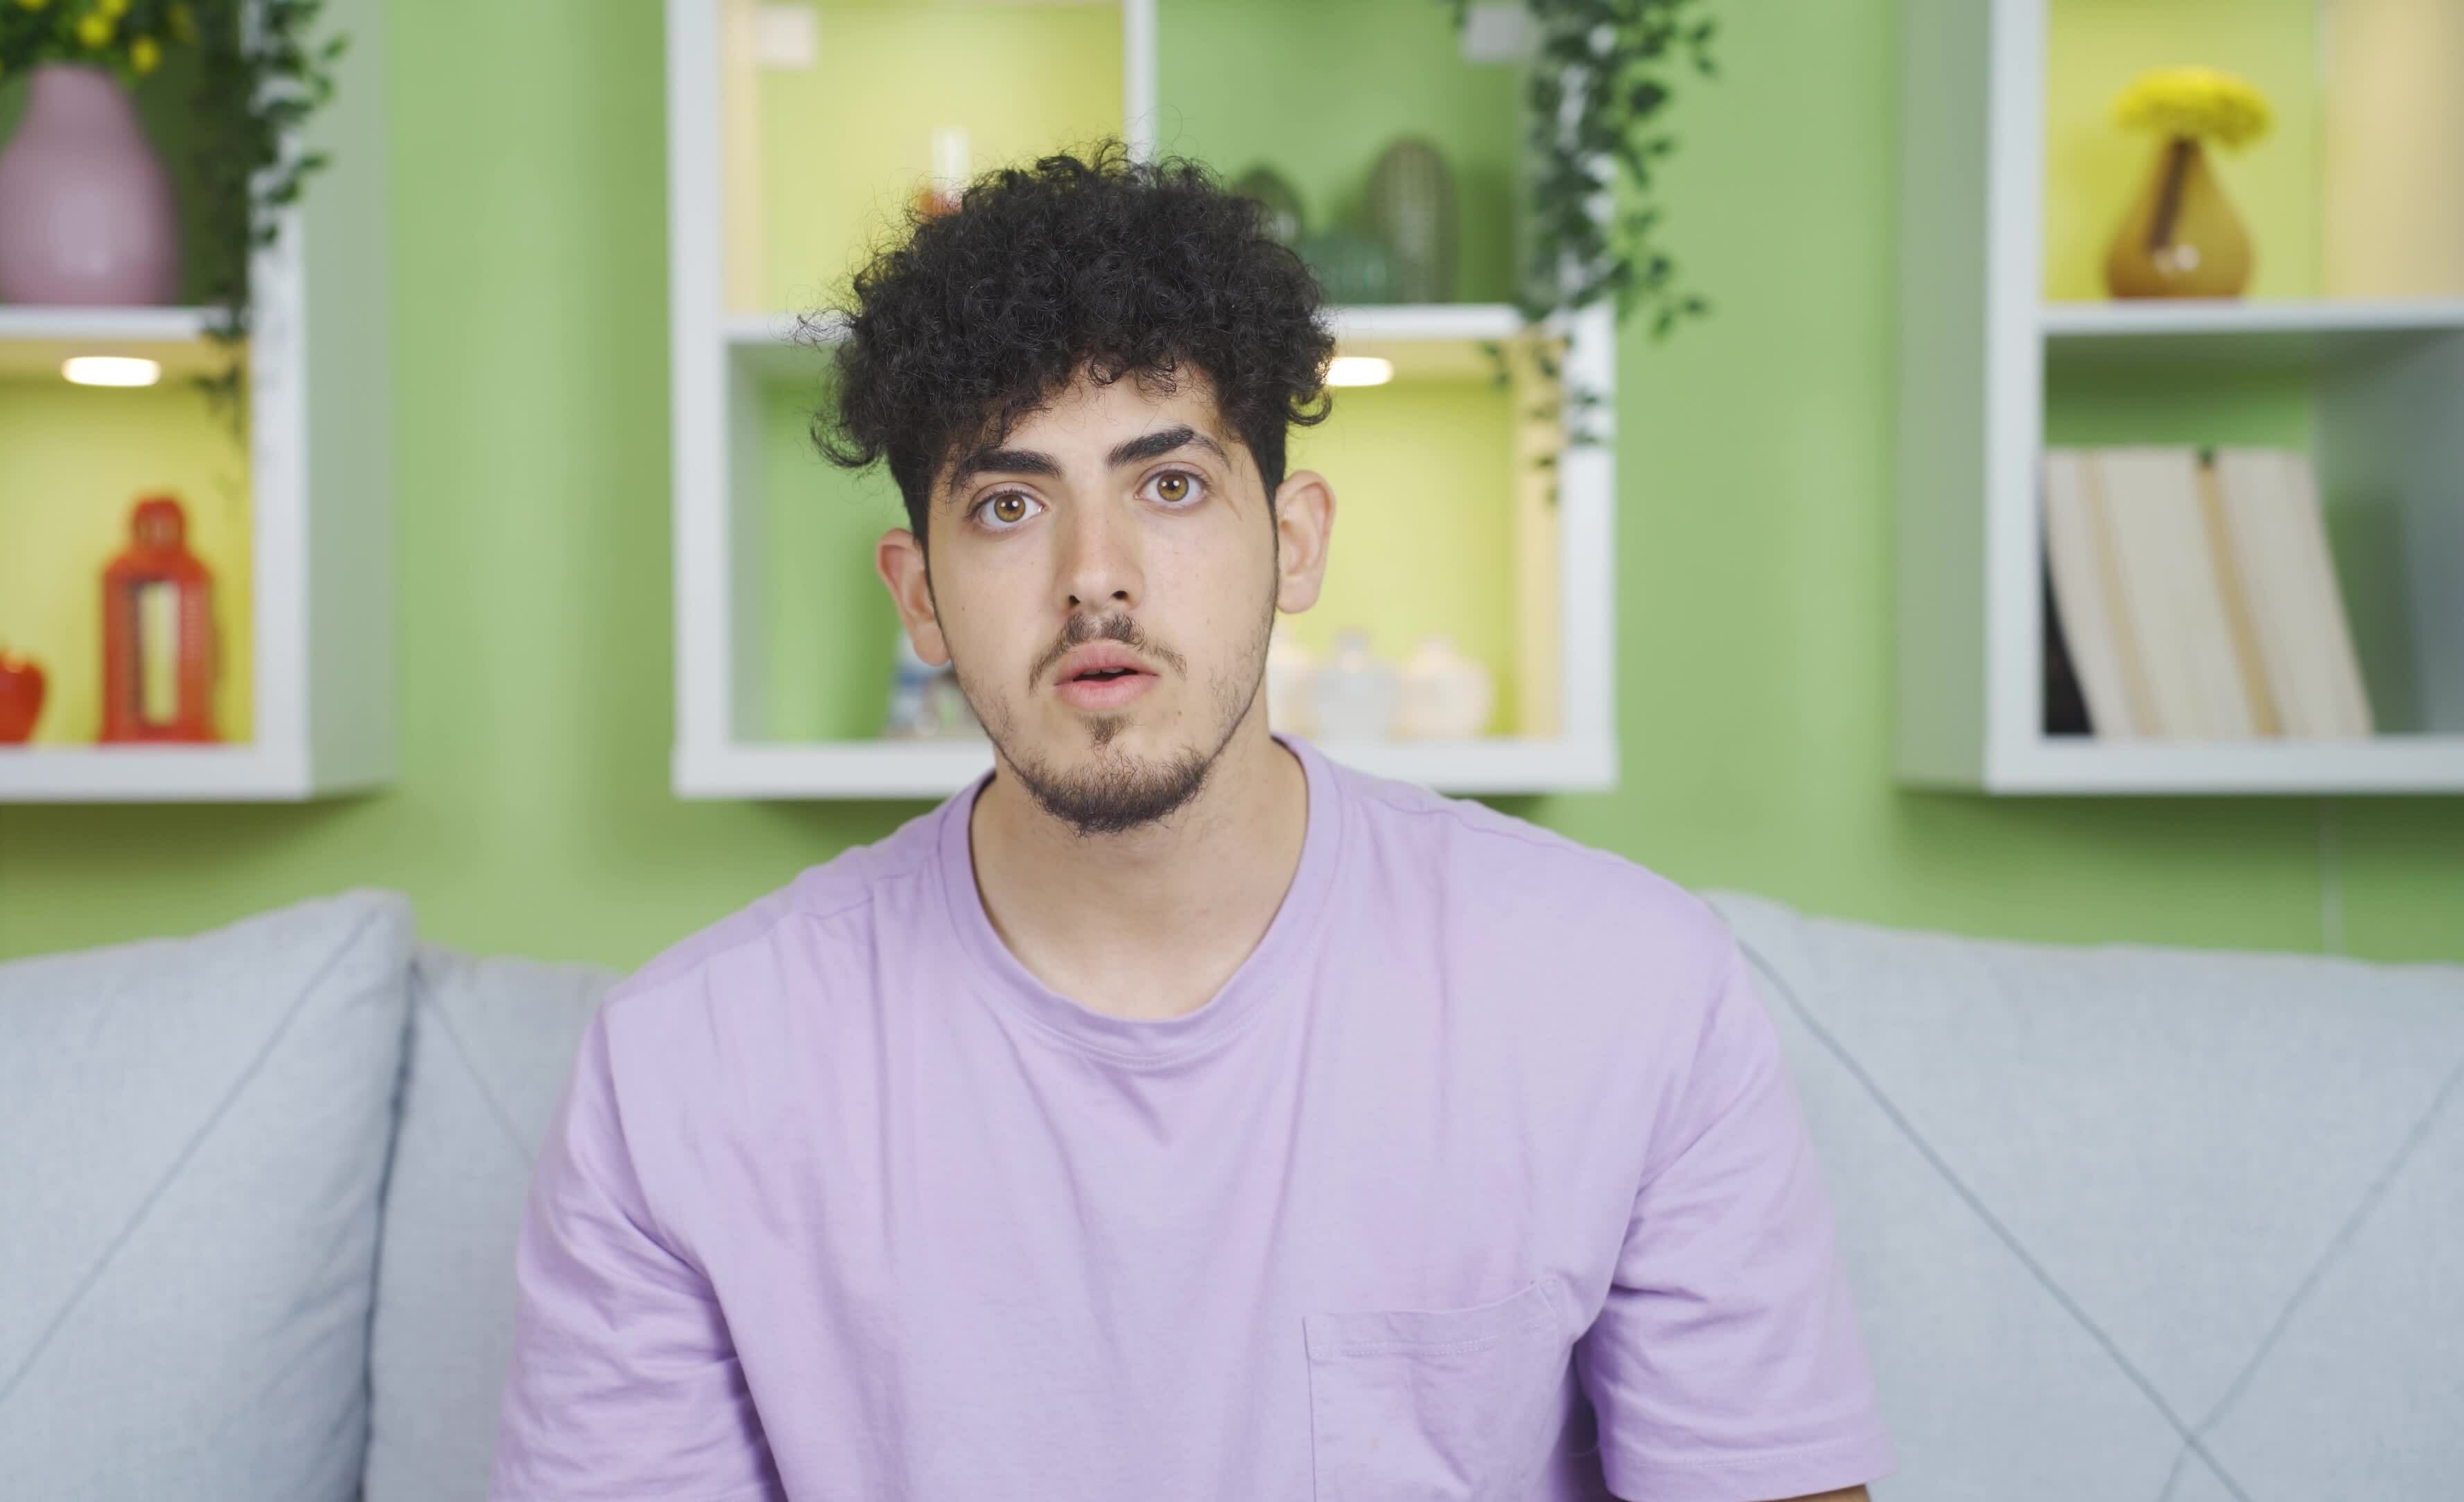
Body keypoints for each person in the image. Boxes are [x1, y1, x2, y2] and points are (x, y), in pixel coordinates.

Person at [490, 144, 1894, 1502]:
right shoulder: (684, 1074)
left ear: (1296, 540)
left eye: (1170, 487)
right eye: (1006, 504)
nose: (1093, 578)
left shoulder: (1627, 992)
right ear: (916, 594)